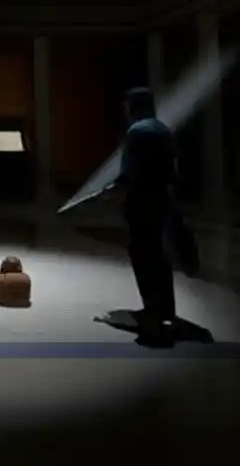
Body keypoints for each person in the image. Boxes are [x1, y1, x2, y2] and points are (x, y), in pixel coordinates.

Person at [108, 87, 178, 347]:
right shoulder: (163, 130)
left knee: (142, 254)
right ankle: (165, 308)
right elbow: (171, 172)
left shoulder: (136, 132)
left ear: (133, 106)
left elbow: (128, 171)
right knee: (159, 255)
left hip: (140, 202)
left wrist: (111, 189)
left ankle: (152, 310)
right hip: (160, 201)